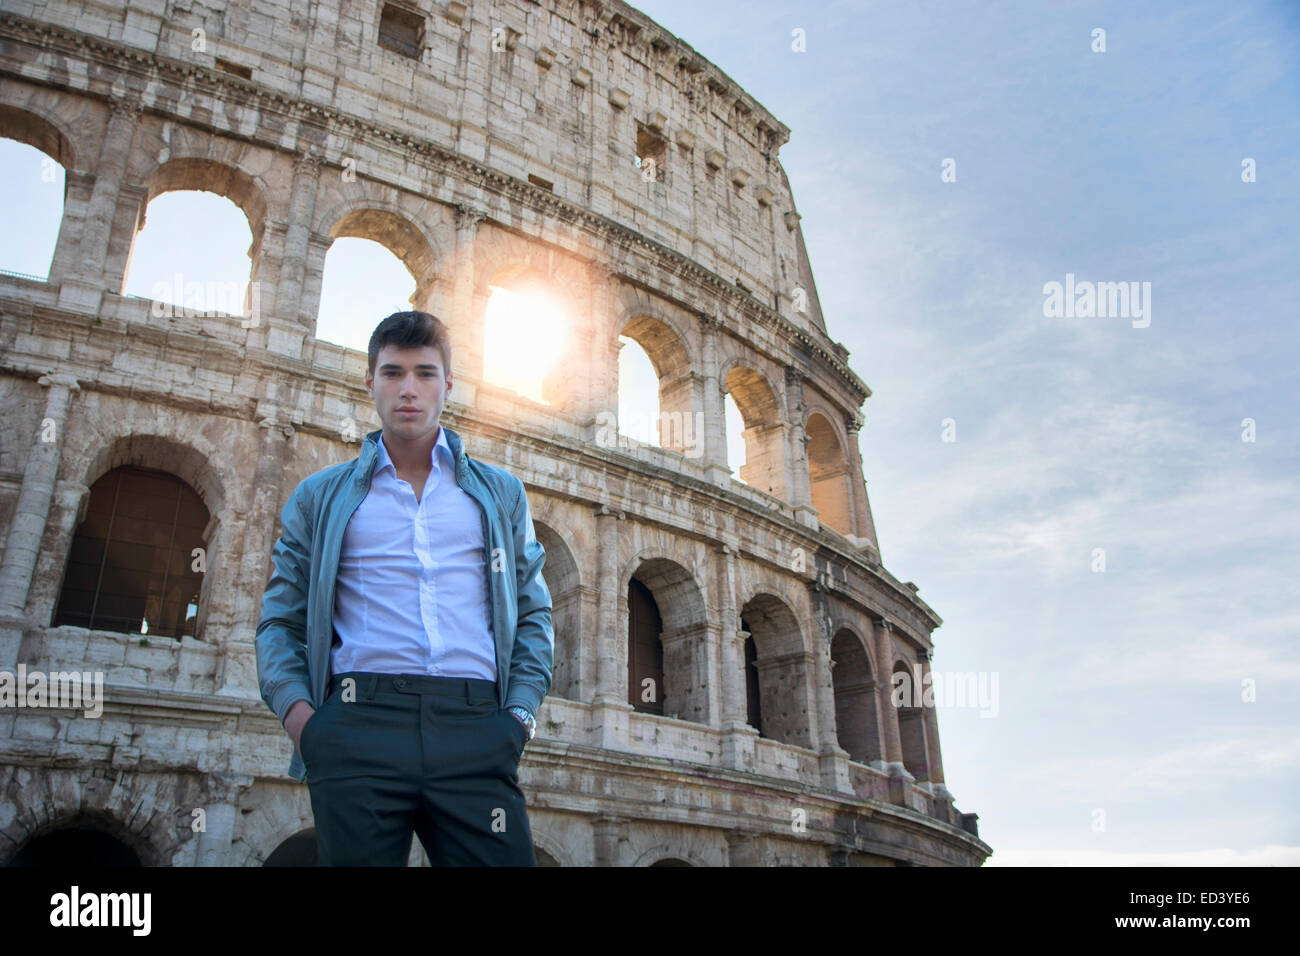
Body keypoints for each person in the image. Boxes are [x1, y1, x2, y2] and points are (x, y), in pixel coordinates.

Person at [255, 310, 553, 866]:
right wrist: (304, 722)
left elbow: (535, 611)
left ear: (448, 385)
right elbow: (280, 620)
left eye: (425, 373)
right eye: (392, 373)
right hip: (357, 721)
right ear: (369, 384)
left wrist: (518, 717)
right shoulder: (320, 496)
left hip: (477, 725)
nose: (408, 390)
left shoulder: (501, 494)